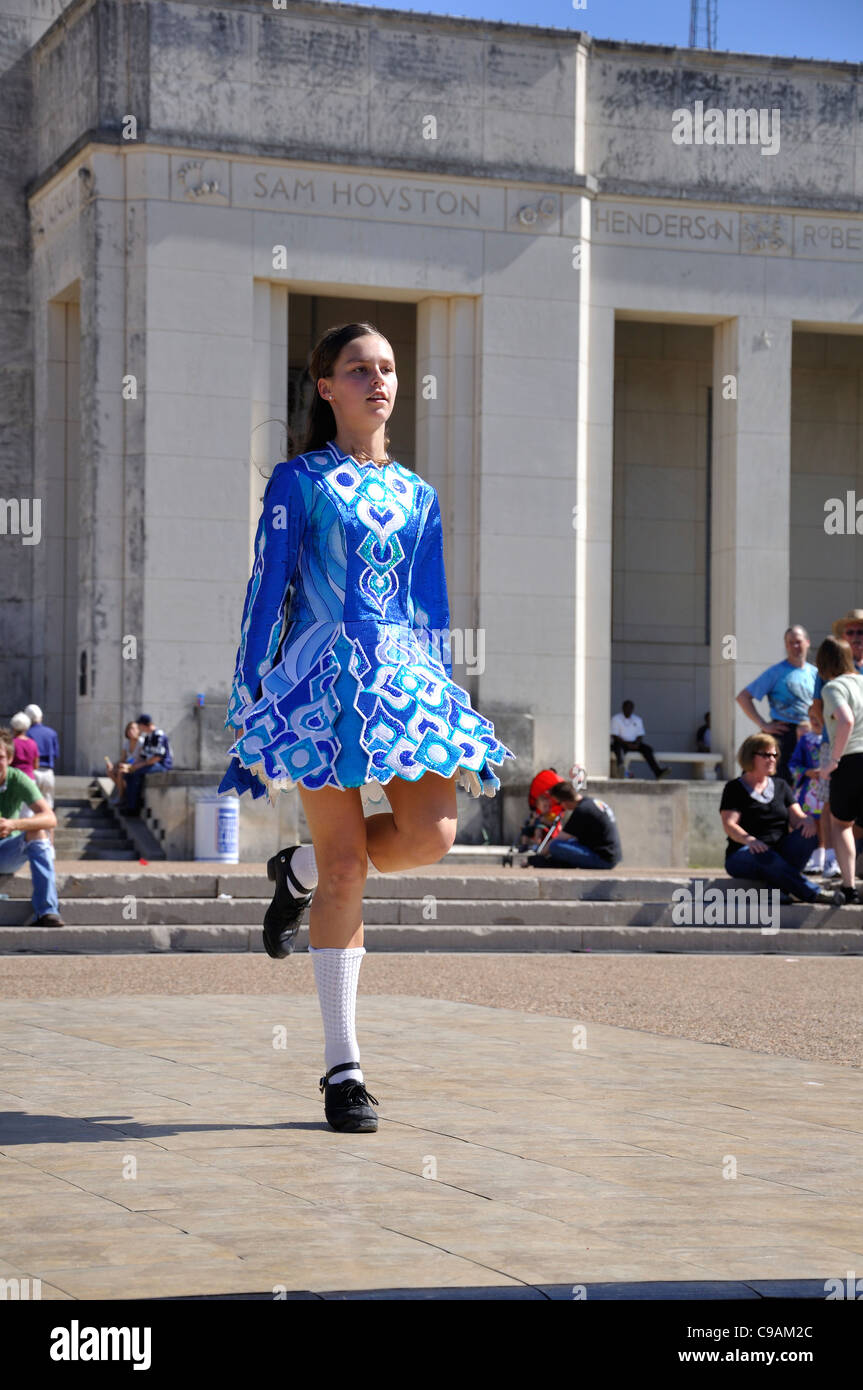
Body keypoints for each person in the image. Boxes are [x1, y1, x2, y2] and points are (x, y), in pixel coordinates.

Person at [219, 320, 515, 1133]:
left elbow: (431, 605)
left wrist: (442, 698)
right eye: (358, 369)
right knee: (350, 868)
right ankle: (343, 1070)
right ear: (325, 386)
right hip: (318, 680)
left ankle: (300, 870)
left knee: (433, 833)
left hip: (405, 676)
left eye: (386, 369)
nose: (377, 381)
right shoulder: (297, 481)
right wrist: (250, 697)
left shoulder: (419, 495)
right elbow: (266, 588)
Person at [720, 732, 840, 907]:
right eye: (766, 755)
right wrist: (750, 840)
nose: (772, 759)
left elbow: (797, 817)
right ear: (750, 756)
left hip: (779, 853)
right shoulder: (734, 788)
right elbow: (729, 824)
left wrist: (806, 821)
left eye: (774, 755)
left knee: (807, 835)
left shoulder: (781, 786)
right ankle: (812, 893)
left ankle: (775, 890)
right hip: (744, 854)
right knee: (764, 854)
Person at [0, 728, 64, 926]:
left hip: (5, 851)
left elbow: (50, 818)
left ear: (9, 758)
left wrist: (14, 824)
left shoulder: (17, 778)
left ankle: (47, 911)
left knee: (37, 831)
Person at [816, 636, 863, 905]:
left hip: (851, 759)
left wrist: (833, 760)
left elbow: (845, 720)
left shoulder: (833, 687)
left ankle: (849, 887)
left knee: (841, 824)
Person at [736, 625, 817, 782]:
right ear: (786, 646)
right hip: (783, 734)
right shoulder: (776, 672)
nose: (795, 646)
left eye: (798, 642)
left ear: (807, 642)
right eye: (790, 642)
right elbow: (743, 697)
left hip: (809, 734)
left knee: (806, 782)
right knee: (775, 781)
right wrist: (764, 724)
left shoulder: (815, 673)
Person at [529, 776, 622, 870]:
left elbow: (559, 839)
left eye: (559, 803)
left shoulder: (582, 810)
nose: (561, 807)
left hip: (603, 860)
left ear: (565, 801)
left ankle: (550, 863)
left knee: (555, 846)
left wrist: (538, 856)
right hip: (610, 856)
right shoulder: (590, 803)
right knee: (568, 843)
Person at [788, 716, 831, 875]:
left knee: (828, 822)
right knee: (812, 822)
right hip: (810, 791)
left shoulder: (834, 737)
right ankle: (815, 859)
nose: (815, 720)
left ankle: (828, 858)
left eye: (817, 716)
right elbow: (793, 764)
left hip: (829, 787)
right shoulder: (806, 740)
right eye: (811, 717)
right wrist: (807, 772)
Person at [118, 715, 173, 816]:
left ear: (144, 725)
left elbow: (158, 757)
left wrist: (138, 766)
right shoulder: (148, 737)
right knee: (128, 774)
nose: (138, 728)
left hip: (161, 765)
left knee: (136, 773)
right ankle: (129, 804)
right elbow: (142, 756)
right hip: (149, 763)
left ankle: (133, 808)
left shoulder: (158, 735)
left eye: (139, 725)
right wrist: (130, 766)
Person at [610, 700, 668, 779]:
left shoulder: (637, 719)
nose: (628, 710)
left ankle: (658, 772)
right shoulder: (616, 719)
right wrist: (627, 744)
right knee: (617, 747)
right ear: (622, 708)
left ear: (633, 709)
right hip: (621, 743)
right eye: (626, 707)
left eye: (630, 708)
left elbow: (640, 734)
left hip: (634, 744)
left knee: (647, 749)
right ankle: (621, 769)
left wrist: (637, 744)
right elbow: (614, 735)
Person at [23, 703, 60, 812]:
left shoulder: (27, 734)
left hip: (32, 773)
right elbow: (56, 754)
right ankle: (48, 828)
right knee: (48, 806)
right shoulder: (51, 733)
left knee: (30, 807)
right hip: (48, 773)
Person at [104, 721, 141, 804]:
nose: (131, 731)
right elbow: (123, 759)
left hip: (136, 766)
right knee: (110, 771)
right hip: (127, 765)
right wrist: (113, 765)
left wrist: (127, 766)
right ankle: (123, 791)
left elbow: (141, 758)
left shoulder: (141, 742)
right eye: (129, 729)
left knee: (120, 772)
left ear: (139, 730)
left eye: (133, 728)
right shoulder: (126, 743)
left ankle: (121, 797)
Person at [10, 713, 39, 781]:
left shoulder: (11, 743)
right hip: (30, 778)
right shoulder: (33, 743)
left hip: (15, 778)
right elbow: (36, 765)